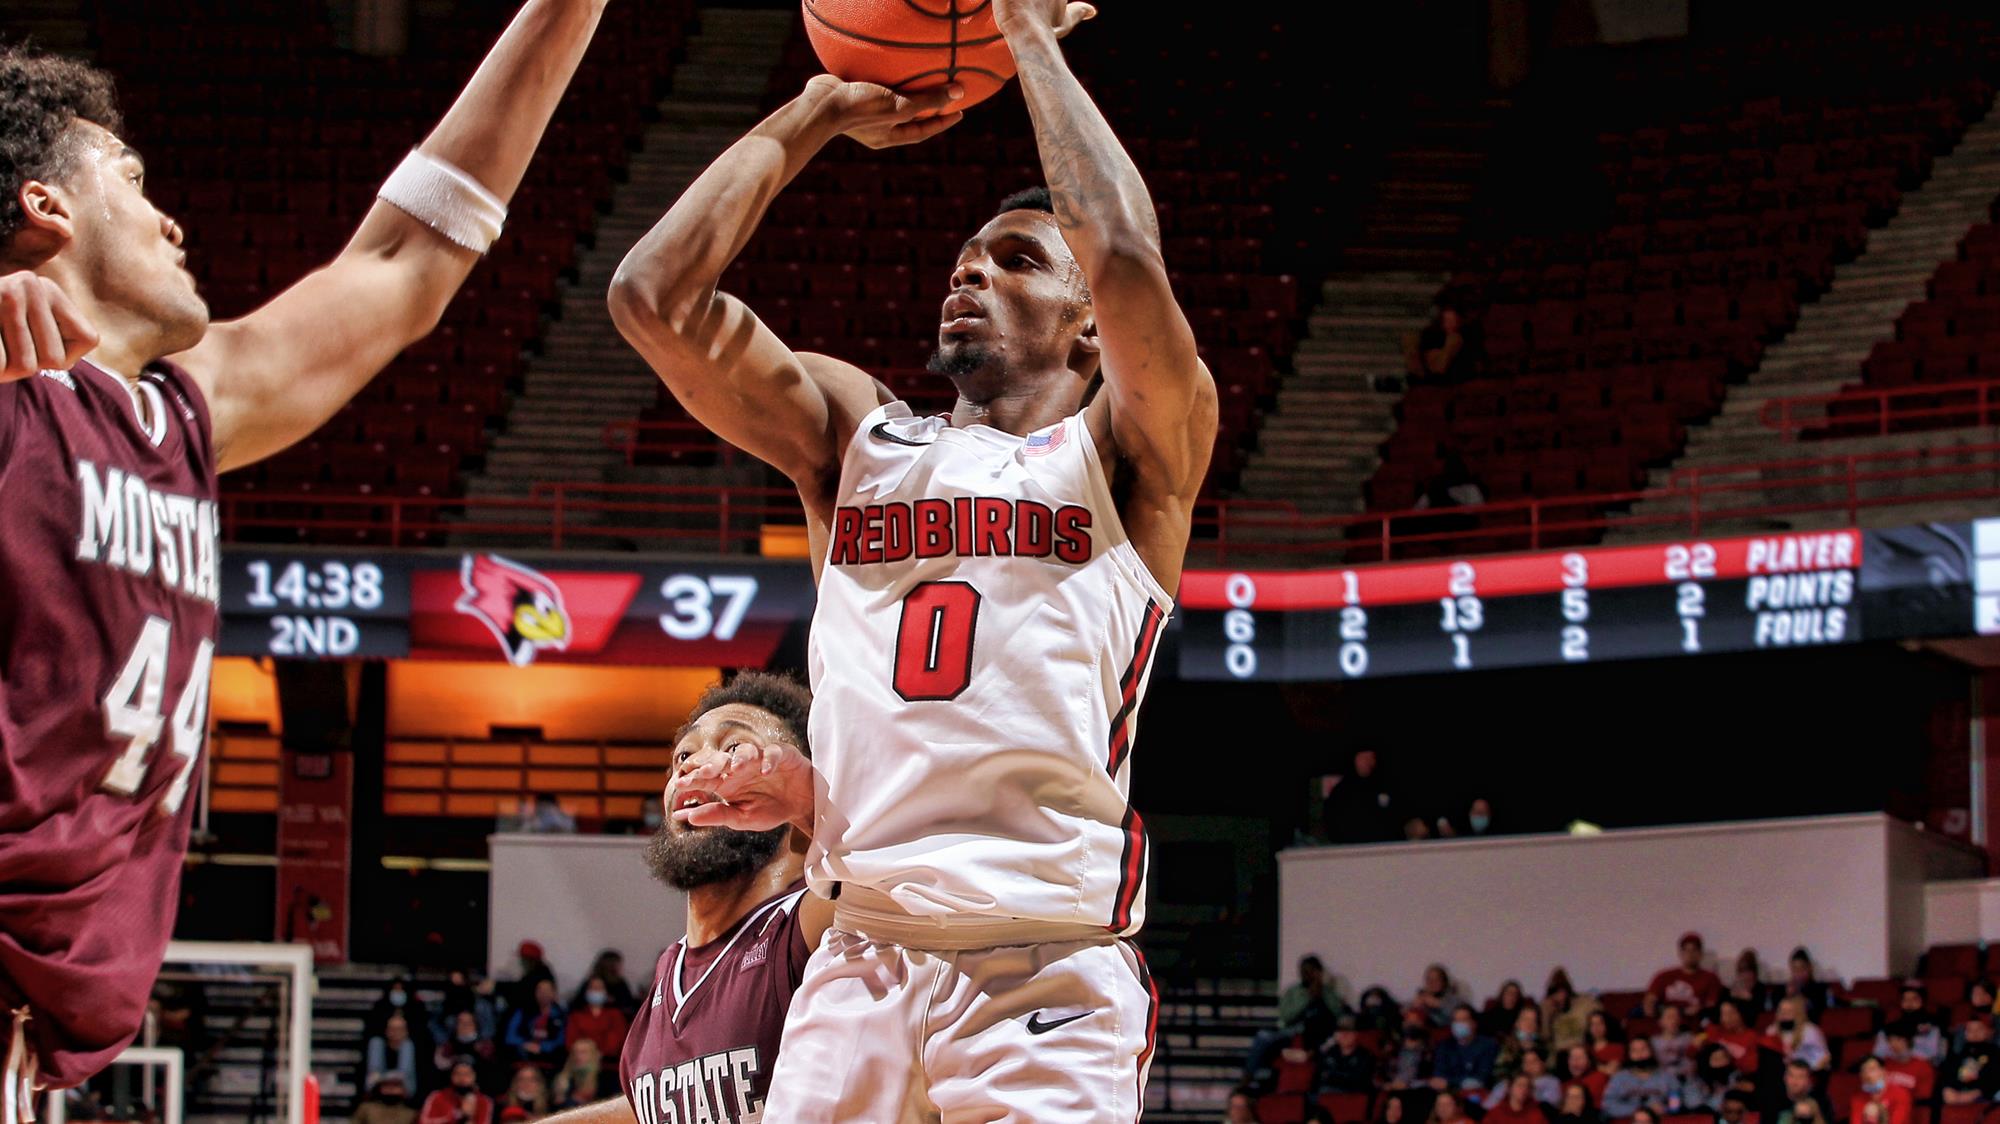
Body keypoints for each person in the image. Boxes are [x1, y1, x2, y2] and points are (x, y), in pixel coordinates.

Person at [609, 0, 1217, 1114]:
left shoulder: (1122, 455)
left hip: (1046, 950)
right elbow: (651, 299)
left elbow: (1126, 254)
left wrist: (1024, 35)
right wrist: (812, 114)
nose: (969, 273)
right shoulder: (859, 437)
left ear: (1088, 328)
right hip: (861, 951)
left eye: (1016, 260)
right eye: (962, 260)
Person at [0, 0, 611, 1095]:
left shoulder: (179, 415)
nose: (169, 221)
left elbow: (409, 258)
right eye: (131, 182)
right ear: (43, 207)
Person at [532, 673, 831, 1124]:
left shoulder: (815, 922)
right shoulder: (671, 970)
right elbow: (652, 1113)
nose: (693, 766)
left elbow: (893, 879)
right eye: (683, 756)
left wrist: (818, 808)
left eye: (733, 749)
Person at [1247, 955, 1340, 1086]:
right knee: (1262, 1037)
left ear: (1318, 972)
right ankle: (1249, 1077)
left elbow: (1338, 1013)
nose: (1306, 974)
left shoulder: (1327, 992)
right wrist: (1307, 997)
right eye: (1303, 970)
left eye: (1310, 970)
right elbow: (1286, 1016)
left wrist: (1322, 992)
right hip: (1290, 1031)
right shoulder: (1293, 991)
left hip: (1315, 1036)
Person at [1323, 748, 1401, 843]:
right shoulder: (1341, 792)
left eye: (1371, 758)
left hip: (1382, 849)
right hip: (1351, 850)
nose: (1369, 762)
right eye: (1364, 758)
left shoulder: (1383, 786)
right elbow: (1332, 823)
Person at [1648, 933, 1724, 1017]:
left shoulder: (1711, 978)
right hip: (1667, 1023)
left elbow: (1711, 1007)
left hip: (1695, 1022)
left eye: (1694, 950)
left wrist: (1699, 1009)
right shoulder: (1663, 976)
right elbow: (1649, 1004)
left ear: (1700, 954)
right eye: (1686, 950)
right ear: (1680, 953)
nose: (1690, 954)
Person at [1601, 1035, 1674, 1117]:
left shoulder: (1666, 1076)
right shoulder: (1619, 1078)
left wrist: (1665, 1109)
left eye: (1643, 1049)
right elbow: (1607, 1105)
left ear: (1651, 1051)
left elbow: (1679, 1101)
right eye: (1634, 1051)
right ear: (1629, 1054)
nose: (1639, 1054)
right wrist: (1640, 1109)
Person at [504, 980, 567, 1074]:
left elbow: (561, 1041)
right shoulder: (522, 1012)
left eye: (547, 990)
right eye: (540, 991)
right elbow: (510, 1037)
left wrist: (542, 1047)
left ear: (554, 993)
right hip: (523, 1057)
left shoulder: (561, 1015)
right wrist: (526, 1044)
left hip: (549, 1061)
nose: (543, 994)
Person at [1434, 1004, 1500, 1092]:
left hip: (1476, 1093)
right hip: (1448, 1093)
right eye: (1456, 1020)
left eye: (1463, 1020)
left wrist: (1450, 1082)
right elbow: (1439, 1077)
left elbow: (1480, 1078)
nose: (1459, 1024)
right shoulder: (1445, 1046)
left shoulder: (1488, 1045)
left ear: (1474, 1023)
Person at [434, 1010, 499, 1092]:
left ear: (475, 1024)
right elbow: (441, 1070)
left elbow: (491, 1071)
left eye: (469, 1022)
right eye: (461, 1022)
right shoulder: (447, 1047)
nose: (465, 1025)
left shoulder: (485, 1046)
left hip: (481, 1090)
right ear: (456, 1025)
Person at [1877, 986, 1946, 1063]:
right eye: (1905, 1000)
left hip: (1922, 1066)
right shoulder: (1890, 1027)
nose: (1909, 1003)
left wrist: (1905, 1054)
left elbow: (1933, 1054)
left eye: (1914, 999)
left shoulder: (1934, 1025)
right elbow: (1879, 1053)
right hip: (1893, 1066)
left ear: (1922, 1001)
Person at [564, 977, 628, 1059]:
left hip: (609, 1061)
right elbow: (571, 1040)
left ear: (606, 993)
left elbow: (618, 1038)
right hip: (580, 1060)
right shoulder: (576, 1016)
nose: (596, 991)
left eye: (599, 988)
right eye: (593, 988)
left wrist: (601, 1053)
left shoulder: (615, 1015)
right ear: (586, 992)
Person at [1942, 1015, 2000, 1105]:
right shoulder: (1960, 1053)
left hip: (1982, 1092)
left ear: (1990, 1032)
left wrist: (1977, 1092)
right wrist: (1949, 1089)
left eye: (1979, 1029)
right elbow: (1949, 1074)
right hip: (1959, 1091)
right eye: (1969, 1030)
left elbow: (1994, 1077)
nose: (1974, 1033)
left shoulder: (1995, 1052)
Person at [366, 1014, 423, 1100]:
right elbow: (372, 1079)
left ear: (406, 1031)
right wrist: (393, 1080)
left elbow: (406, 1081)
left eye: (400, 1029)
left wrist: (384, 1079)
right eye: (392, 1029)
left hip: (404, 1092)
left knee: (407, 1045)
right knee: (376, 1042)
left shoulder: (410, 1047)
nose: (396, 1033)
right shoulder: (378, 1045)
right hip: (378, 1090)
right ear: (386, 1031)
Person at [421, 1060, 497, 1124]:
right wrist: (458, 1114)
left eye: (467, 1074)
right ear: (451, 1076)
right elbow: (424, 1122)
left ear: (474, 1076)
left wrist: (470, 1117)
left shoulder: (485, 1101)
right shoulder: (437, 1096)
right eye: (458, 1074)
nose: (462, 1078)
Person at [1319, 1014, 1379, 1094]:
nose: (1344, 1035)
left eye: (1348, 1031)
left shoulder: (1366, 1056)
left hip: (1355, 1096)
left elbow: (1358, 1080)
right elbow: (1321, 1076)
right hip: (1329, 1094)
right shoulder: (1329, 1053)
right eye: (1340, 1031)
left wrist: (1333, 1076)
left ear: (1356, 1034)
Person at [1544, 969, 1600, 1052]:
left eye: (1562, 991)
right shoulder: (1546, 1009)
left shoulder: (1585, 1003)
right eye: (1556, 993)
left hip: (1581, 1051)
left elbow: (1602, 1018)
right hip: (1559, 1054)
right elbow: (1544, 1037)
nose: (1560, 997)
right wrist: (1548, 1016)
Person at [1881, 1021, 1937, 1102]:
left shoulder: (1923, 1066)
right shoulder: (1883, 1064)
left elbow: (1924, 1096)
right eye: (1890, 1040)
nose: (1894, 1044)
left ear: (1908, 1041)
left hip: (1911, 1109)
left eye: (1899, 1039)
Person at [1771, 995, 1829, 1072]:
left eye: (1789, 1011)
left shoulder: (1810, 1030)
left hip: (1807, 1073)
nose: (1784, 1014)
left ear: (1798, 1013)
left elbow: (1824, 1057)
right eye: (1781, 1010)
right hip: (1781, 1074)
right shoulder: (1772, 1030)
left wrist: (1805, 1074)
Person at [572, 952, 638, 1018]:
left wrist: (614, 1001)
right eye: (618, 964)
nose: (621, 967)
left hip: (614, 1019)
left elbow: (629, 1006)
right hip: (590, 1017)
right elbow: (577, 1004)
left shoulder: (620, 983)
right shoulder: (591, 982)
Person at [1853, 1055, 1915, 1124]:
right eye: (1863, 1071)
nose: (1867, 1075)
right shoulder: (1858, 1098)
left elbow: (1898, 1121)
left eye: (1872, 1069)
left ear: (1883, 1071)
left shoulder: (1901, 1094)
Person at [1496, 1005, 1548, 1081]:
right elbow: (1499, 1073)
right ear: (1517, 1023)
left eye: (1533, 1020)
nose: (1529, 1024)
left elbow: (1551, 1069)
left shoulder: (1544, 1045)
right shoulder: (1505, 1044)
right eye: (1525, 1019)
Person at [550, 1040, 604, 1110]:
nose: (578, 1056)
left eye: (583, 1052)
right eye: (575, 1052)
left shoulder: (605, 1079)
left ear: (594, 1054)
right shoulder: (563, 1079)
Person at [509, 942, 558, 1014]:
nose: (521, 963)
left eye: (523, 959)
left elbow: (522, 989)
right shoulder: (536, 973)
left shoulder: (540, 975)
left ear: (530, 961)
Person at [1781, 949, 1832, 1017]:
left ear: (1810, 968)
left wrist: (1800, 999)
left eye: (1802, 968)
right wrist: (1788, 996)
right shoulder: (1782, 990)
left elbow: (1818, 1009)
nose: (1799, 973)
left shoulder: (1820, 989)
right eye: (1795, 969)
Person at [1484, 1073, 1552, 1124]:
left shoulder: (1536, 1114)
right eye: (1520, 1085)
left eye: (1527, 1086)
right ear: (1510, 1088)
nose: (1524, 1089)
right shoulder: (1496, 1113)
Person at [1652, 1004, 1694, 1079]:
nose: (1674, 1020)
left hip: (1687, 1080)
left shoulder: (1689, 1038)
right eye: (1669, 1017)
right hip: (1662, 1082)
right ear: (1660, 1021)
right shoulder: (1653, 1042)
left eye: (1676, 1016)